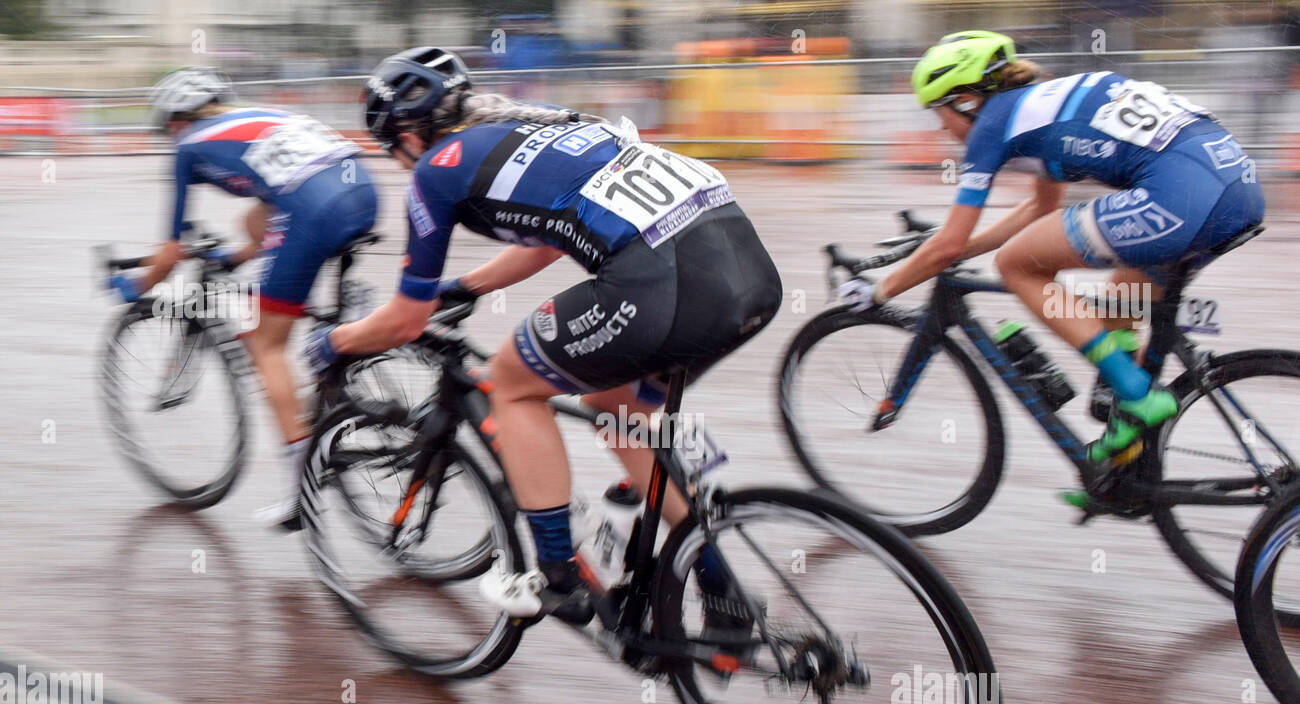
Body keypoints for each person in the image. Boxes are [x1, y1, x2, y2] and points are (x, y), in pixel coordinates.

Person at [304, 47, 783, 627]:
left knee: (511, 383)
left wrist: (334, 344)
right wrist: (473, 285)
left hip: (663, 285)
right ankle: (720, 590)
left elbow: (406, 319)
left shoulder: (436, 168)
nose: (399, 161)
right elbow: (552, 236)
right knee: (614, 408)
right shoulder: (540, 121)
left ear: (407, 132)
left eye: (391, 148)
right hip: (748, 277)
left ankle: (558, 581)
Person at [845, 30, 1264, 466]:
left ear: (965, 100)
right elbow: (1039, 208)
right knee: (1122, 294)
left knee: (1016, 266)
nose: (939, 126)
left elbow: (948, 245)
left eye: (937, 111)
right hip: (1237, 190)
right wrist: (953, 251)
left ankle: (1136, 394)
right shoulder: (1041, 104)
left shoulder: (991, 126)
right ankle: (1126, 450)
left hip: (1181, 198)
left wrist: (876, 292)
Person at [110, 67, 378, 523]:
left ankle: (303, 485)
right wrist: (237, 257)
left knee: (264, 343)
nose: (170, 136)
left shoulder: (188, 145)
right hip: (362, 194)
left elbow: (170, 254)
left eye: (168, 128)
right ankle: (345, 331)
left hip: (311, 211)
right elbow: (270, 209)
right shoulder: (261, 116)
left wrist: (132, 286)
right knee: (257, 222)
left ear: (177, 121)